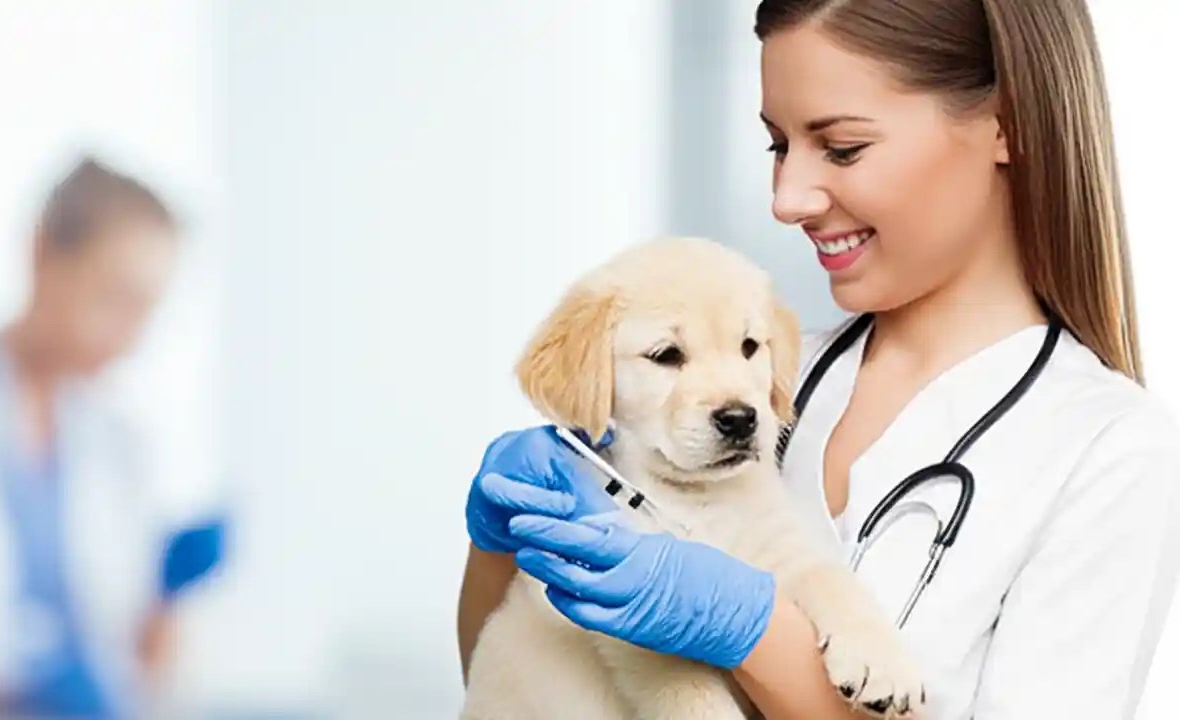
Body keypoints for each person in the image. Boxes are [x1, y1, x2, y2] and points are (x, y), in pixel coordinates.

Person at [457, 0, 1180, 718]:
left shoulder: (1109, 451)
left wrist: (757, 634)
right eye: (778, 147)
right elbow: (511, 682)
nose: (787, 198)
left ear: (1006, 125)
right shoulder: (766, 367)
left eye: (842, 148)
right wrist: (500, 546)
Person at [0, 156, 225, 717]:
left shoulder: (122, 444)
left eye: (147, 309)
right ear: (41, 254)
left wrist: (170, 597)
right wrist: (9, 697)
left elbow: (137, 669)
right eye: (115, 298)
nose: (132, 335)